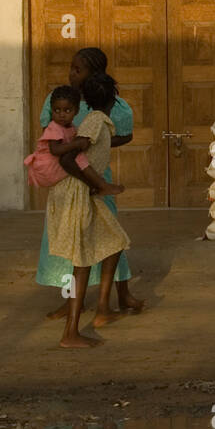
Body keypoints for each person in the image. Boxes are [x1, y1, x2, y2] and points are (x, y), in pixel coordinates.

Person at [35, 47, 143, 318]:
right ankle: (73, 300)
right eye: (71, 68)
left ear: (95, 75)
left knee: (109, 237)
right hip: (68, 180)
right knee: (69, 245)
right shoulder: (59, 97)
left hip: (95, 177)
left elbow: (124, 135)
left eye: (78, 69)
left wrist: (97, 143)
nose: (71, 73)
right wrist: (77, 145)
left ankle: (121, 293)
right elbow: (51, 134)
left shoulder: (111, 105)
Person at [46, 72, 132, 348]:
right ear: (113, 99)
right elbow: (71, 159)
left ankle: (103, 309)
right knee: (81, 263)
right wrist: (95, 183)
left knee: (115, 242)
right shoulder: (95, 121)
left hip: (86, 193)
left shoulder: (99, 122)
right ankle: (70, 333)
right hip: (77, 194)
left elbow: (94, 145)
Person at [24, 85, 102, 191]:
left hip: (53, 165)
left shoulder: (72, 127)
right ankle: (96, 184)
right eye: (57, 110)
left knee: (78, 155)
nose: (62, 115)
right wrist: (76, 144)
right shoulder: (54, 127)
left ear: (77, 111)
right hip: (46, 168)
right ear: (51, 110)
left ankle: (94, 184)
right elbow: (55, 150)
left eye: (67, 111)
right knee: (79, 158)